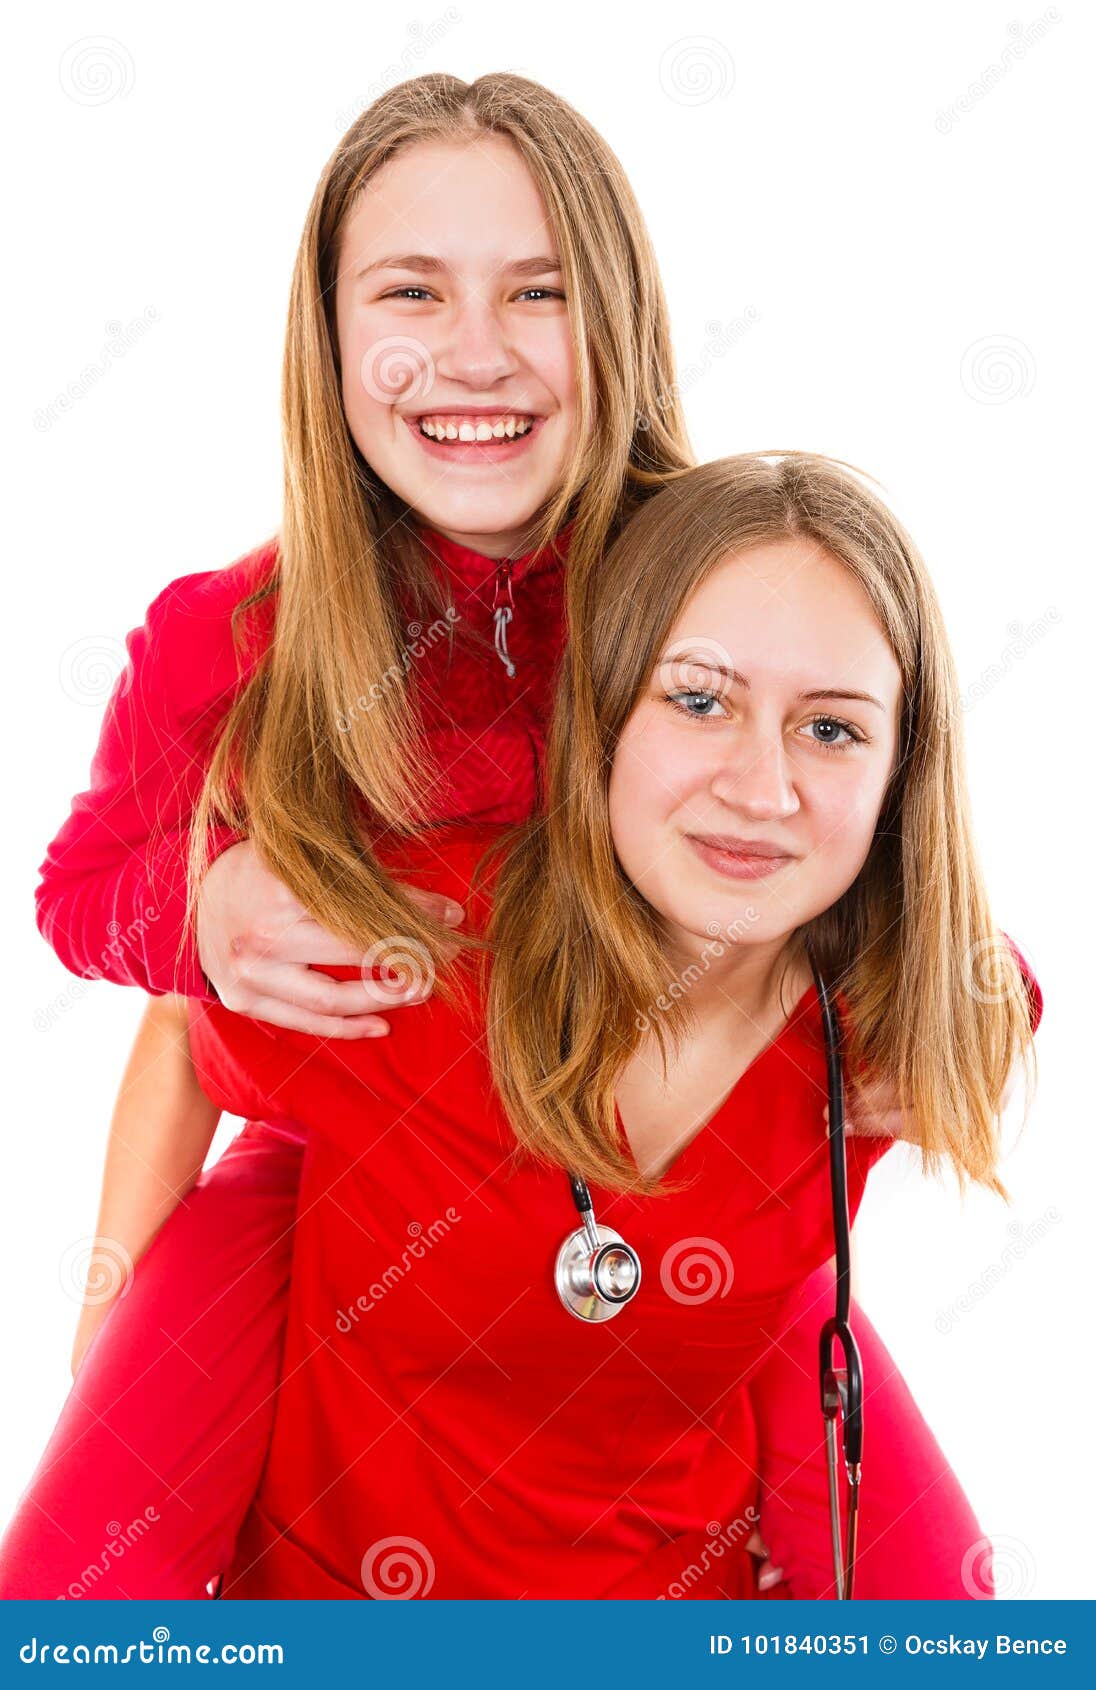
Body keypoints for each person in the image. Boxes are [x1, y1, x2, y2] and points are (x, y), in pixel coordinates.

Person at [3, 71, 1036, 1601]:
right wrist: (206, 906)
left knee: (905, 1560)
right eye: (413, 290)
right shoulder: (235, 637)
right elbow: (91, 901)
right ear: (330, 332)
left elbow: (862, 788)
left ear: (615, 316)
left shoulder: (703, 578)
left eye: (539, 291)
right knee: (91, 1556)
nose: (476, 353)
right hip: (353, 1154)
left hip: (676, 1186)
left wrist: (932, 979)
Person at [164, 455, 1045, 1597]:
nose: (762, 788)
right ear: (600, 711)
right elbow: (188, 1029)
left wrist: (988, 1014)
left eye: (830, 730)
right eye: (697, 699)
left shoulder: (867, 1023)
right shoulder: (425, 943)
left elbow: (985, 983)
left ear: (898, 777)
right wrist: (107, 1342)